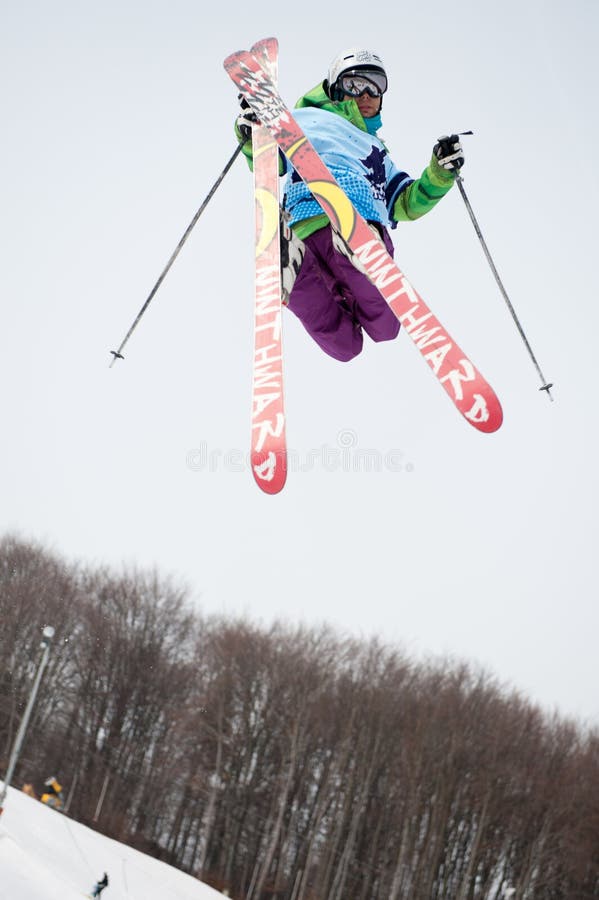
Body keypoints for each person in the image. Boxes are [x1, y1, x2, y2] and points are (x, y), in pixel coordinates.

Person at [235, 48, 464, 362]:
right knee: (387, 325)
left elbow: (405, 202)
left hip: (304, 235)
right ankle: (361, 252)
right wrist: (256, 132)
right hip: (350, 217)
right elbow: (274, 163)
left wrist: (440, 172)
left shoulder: (376, 150)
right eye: (357, 84)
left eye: (376, 86)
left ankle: (294, 269)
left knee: (347, 347)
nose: (367, 94)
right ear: (335, 88)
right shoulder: (306, 119)